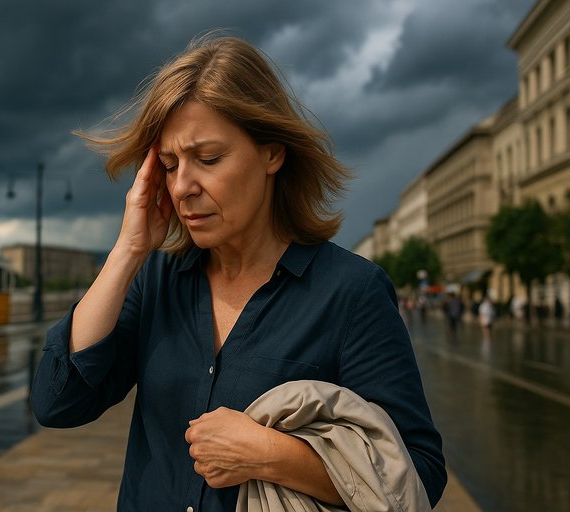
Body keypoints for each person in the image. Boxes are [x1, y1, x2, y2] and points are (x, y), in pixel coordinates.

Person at [30, 34, 446, 510]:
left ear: (272, 153)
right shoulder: (157, 283)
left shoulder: (351, 292)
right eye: (169, 165)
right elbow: (58, 402)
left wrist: (271, 455)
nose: (183, 186)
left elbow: (418, 474)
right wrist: (129, 249)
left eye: (208, 159)